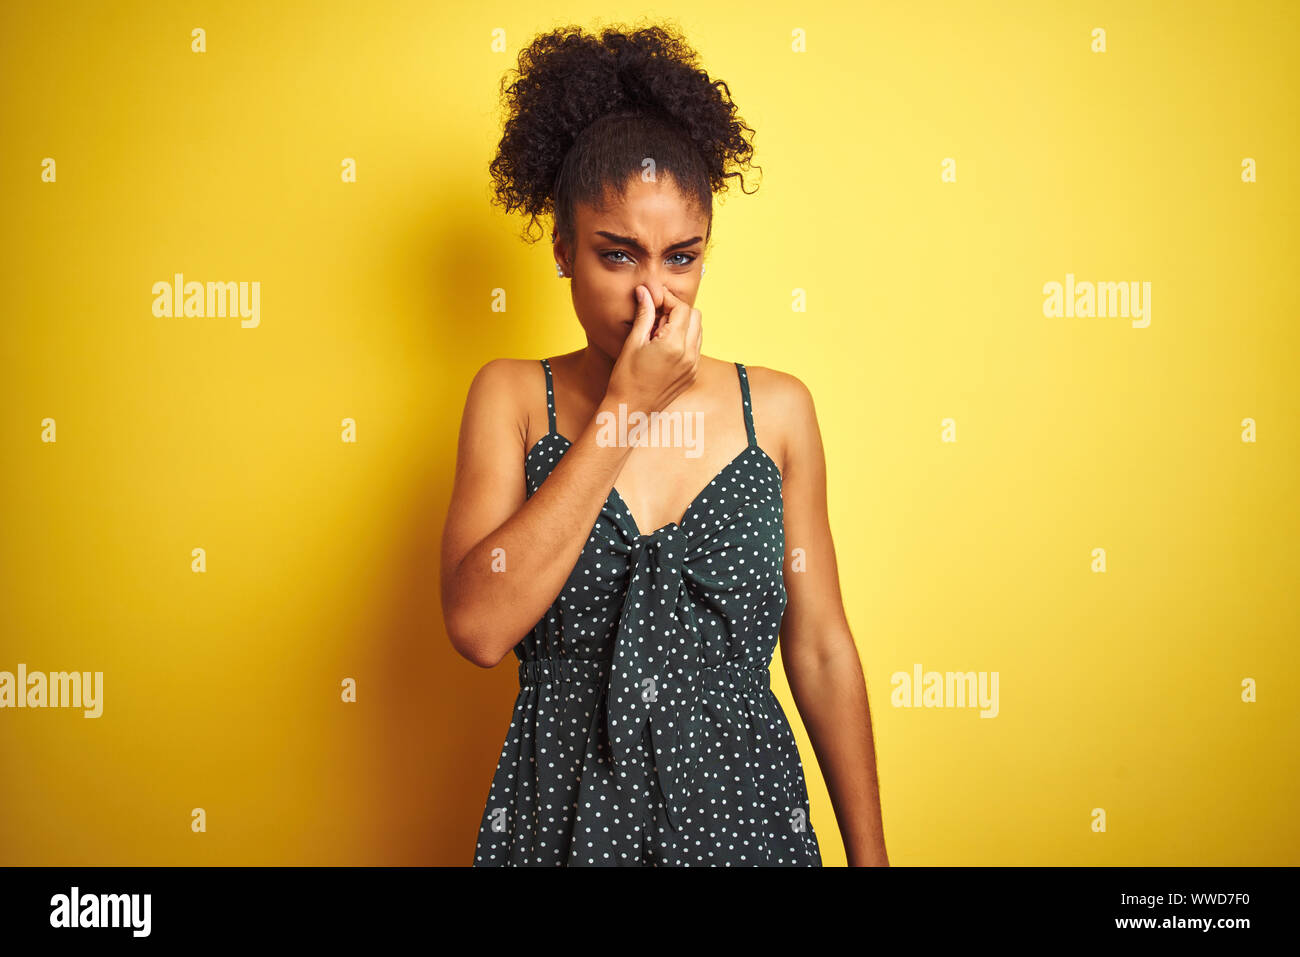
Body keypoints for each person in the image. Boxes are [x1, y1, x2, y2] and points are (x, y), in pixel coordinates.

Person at [441, 22, 888, 866]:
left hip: (747, 822)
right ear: (565, 249)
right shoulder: (511, 398)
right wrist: (624, 411)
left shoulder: (779, 411)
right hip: (563, 820)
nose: (654, 295)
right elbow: (477, 626)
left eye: (680, 258)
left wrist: (872, 859)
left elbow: (823, 649)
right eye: (618, 256)